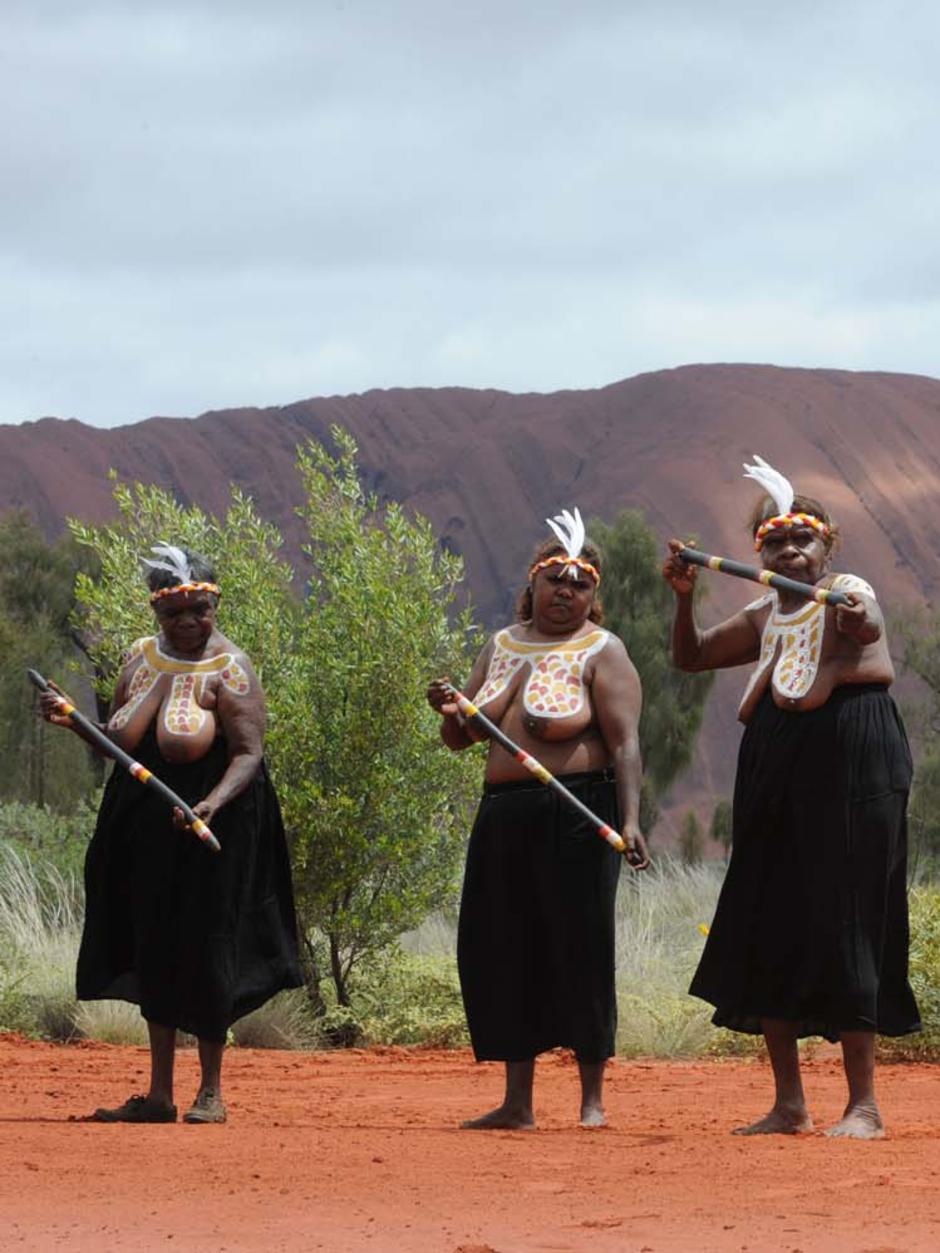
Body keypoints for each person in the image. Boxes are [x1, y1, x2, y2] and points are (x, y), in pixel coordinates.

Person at [662, 456, 920, 1139]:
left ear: (826, 544)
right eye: (773, 541)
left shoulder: (849, 589)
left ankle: (863, 1104)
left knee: (851, 913)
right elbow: (690, 657)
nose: (787, 550)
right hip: (775, 758)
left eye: (800, 538)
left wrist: (857, 612)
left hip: (853, 753)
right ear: (758, 552)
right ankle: (789, 1103)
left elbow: (865, 629)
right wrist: (684, 596)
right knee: (764, 911)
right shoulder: (762, 611)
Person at [41, 544, 302, 1124]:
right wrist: (70, 719)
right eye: (174, 614)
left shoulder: (231, 666)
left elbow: (249, 753)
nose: (187, 623)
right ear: (157, 614)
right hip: (145, 817)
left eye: (198, 611)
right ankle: (159, 1092)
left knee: (210, 942)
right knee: (152, 939)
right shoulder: (138, 659)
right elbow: (117, 740)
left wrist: (210, 803)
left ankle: (212, 1091)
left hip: (217, 817)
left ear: (214, 606)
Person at [428, 508, 649, 1130]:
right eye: (556, 580)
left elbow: (627, 742)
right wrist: (447, 709)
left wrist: (631, 819)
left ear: (593, 594)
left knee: (578, 946)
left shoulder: (604, 650)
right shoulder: (500, 646)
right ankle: (517, 1101)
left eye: (580, 584)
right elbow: (461, 738)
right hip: (504, 816)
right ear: (533, 585)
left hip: (579, 813)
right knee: (503, 945)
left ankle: (591, 1099)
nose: (567, 593)